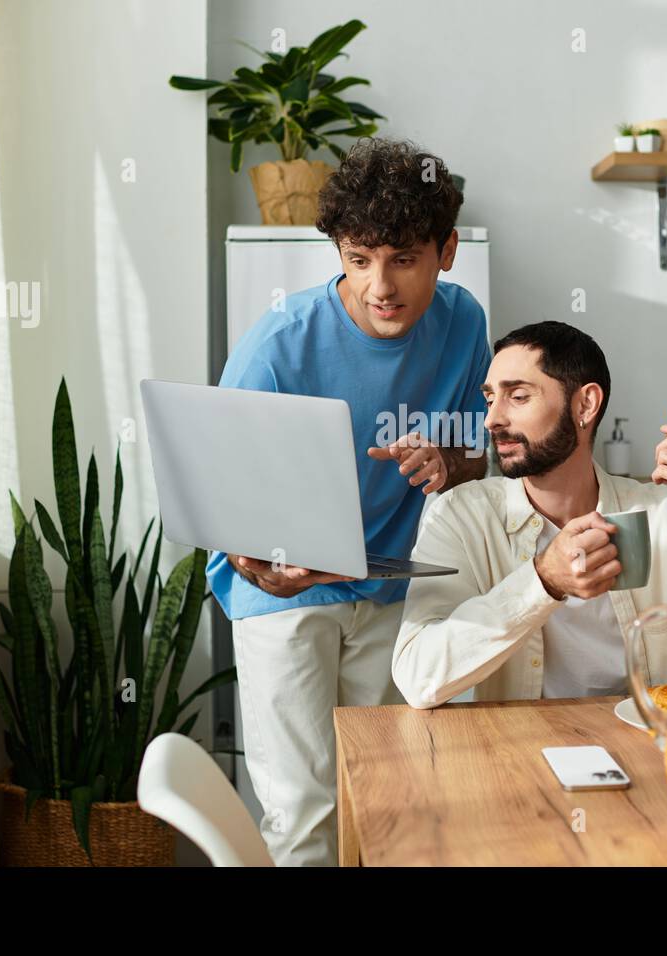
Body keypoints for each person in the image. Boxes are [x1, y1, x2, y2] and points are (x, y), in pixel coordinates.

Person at [206, 138, 490, 865]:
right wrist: (261, 562)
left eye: (403, 258)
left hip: (394, 586)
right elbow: (223, 497)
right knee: (306, 816)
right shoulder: (277, 346)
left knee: (391, 804)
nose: (379, 285)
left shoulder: (464, 325)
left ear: (446, 251)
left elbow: (484, 452)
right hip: (286, 593)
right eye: (359, 259)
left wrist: (448, 460)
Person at [392, 321, 667, 708]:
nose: (492, 419)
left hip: (650, 747)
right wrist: (542, 581)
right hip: (522, 753)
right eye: (490, 398)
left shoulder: (666, 516)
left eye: (519, 396)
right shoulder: (461, 516)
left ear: (585, 405)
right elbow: (417, 678)